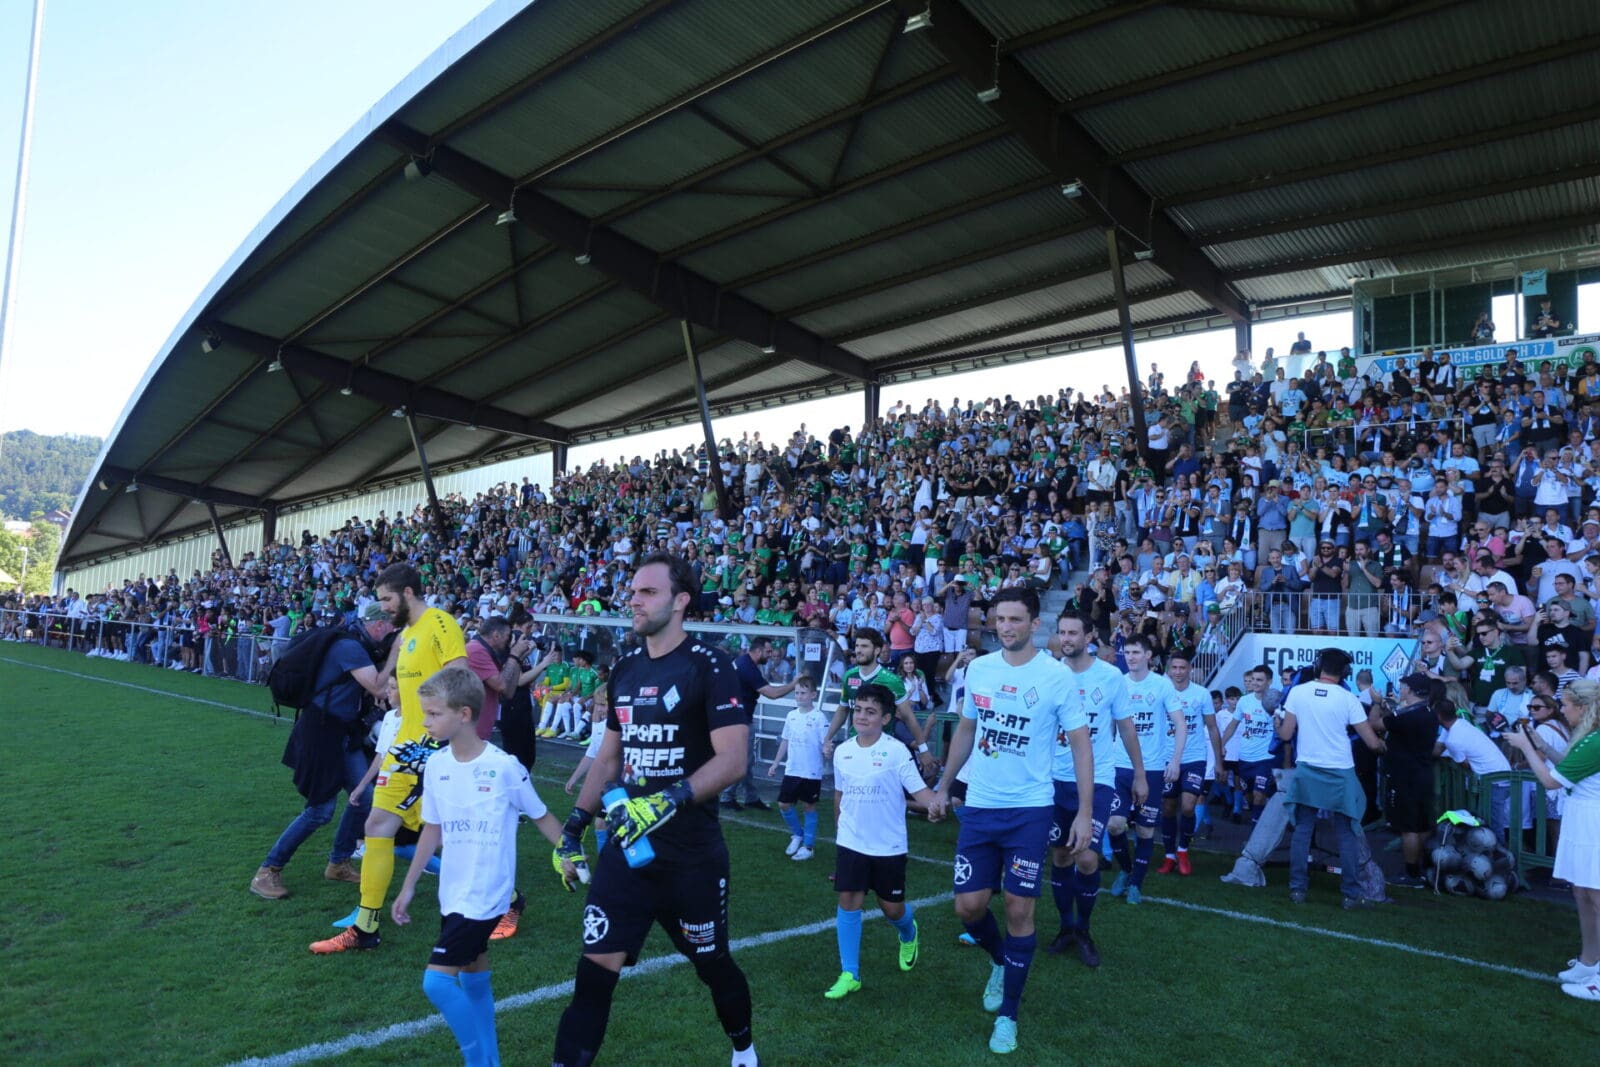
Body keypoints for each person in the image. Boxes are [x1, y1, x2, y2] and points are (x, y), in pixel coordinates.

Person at [550, 553, 759, 1067]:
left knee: (712, 966)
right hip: (626, 851)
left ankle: (744, 1051)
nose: (633, 600)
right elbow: (610, 755)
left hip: (691, 856)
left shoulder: (712, 666)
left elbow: (733, 760)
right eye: (633, 591)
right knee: (594, 974)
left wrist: (668, 800)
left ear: (680, 600)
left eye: (647, 592)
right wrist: (574, 827)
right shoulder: (624, 666)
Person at [926, 590, 1093, 1057]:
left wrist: (1082, 812)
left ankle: (1009, 1016)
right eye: (999, 619)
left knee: (1020, 912)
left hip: (1030, 811)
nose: (1005, 627)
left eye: (1015, 620)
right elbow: (966, 730)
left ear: (1035, 623)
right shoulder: (979, 669)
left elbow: (1081, 746)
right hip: (979, 807)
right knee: (968, 908)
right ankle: (1001, 961)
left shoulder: (1057, 678)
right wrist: (944, 785)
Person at [390, 666, 570, 1067]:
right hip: (453, 890)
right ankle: (491, 1057)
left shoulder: (504, 766)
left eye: (434, 714)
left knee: (436, 981)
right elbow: (432, 829)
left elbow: (541, 816)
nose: (426, 721)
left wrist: (569, 853)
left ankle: (479, 1062)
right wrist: (409, 885)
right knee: (472, 972)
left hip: (486, 893)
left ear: (464, 714)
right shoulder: (436, 765)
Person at [312, 563, 467, 953]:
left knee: (449, 839)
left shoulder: (441, 624)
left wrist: (442, 740)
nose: (382, 607)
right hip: (404, 747)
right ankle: (366, 928)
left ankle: (507, 899)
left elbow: (461, 681)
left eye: (386, 599)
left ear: (408, 593)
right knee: (377, 827)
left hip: (431, 750)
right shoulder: (408, 634)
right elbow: (384, 688)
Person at [251, 601, 392, 900]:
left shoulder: (357, 643)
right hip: (322, 732)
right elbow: (378, 687)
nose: (392, 633)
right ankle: (268, 870)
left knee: (363, 795)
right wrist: (397, 652)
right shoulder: (349, 647)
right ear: (378, 625)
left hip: (342, 732)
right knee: (320, 811)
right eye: (390, 627)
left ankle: (338, 863)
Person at [823, 683, 938, 1000]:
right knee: (848, 901)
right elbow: (840, 796)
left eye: (870, 712)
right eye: (858, 710)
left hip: (888, 846)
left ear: (886, 719)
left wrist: (937, 804)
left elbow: (921, 793)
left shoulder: (897, 751)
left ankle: (908, 931)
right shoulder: (844, 751)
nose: (862, 716)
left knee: (892, 909)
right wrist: (839, 833)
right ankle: (850, 974)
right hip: (851, 842)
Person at [1047, 609, 1138, 969]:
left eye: (1073, 633)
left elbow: (1127, 728)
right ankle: (1066, 927)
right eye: (1062, 632)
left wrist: (1141, 775)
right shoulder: (1049, 675)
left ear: (1089, 637)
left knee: (1086, 857)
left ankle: (1083, 929)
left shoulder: (1111, 677)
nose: (1067, 638)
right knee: (1060, 856)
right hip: (1053, 780)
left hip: (1097, 779)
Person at [1506, 679, 1600, 1001]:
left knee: (1596, 896)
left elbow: (1549, 781)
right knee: (1582, 892)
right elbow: (1570, 770)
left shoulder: (1595, 741)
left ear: (1583, 708)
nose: (1562, 711)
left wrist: (1526, 747)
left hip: (1594, 822)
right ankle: (1589, 962)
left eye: (1567, 706)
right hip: (1582, 818)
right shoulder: (1588, 738)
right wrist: (1542, 747)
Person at [1276, 648, 1387, 907]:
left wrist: (1276, 724)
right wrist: (1384, 746)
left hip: (1308, 768)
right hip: (1340, 771)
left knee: (1302, 829)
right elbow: (1372, 742)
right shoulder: (1347, 699)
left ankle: (1297, 890)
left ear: (1318, 667)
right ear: (1345, 672)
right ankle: (1350, 894)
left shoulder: (1298, 692)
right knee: (1347, 833)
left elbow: (1285, 735)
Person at [1106, 634, 1182, 906]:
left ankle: (1136, 883)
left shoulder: (1162, 685)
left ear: (1148, 655)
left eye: (1136, 652)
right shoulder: (1118, 683)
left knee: (1145, 831)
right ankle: (1126, 870)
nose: (1131, 657)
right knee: (1114, 825)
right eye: (1127, 652)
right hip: (1119, 767)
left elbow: (1180, 724)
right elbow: (1111, 726)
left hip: (1151, 770)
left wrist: (1174, 760)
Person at [821, 628, 938, 776]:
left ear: (877, 650)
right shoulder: (849, 676)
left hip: (882, 749)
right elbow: (843, 709)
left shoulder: (892, 681)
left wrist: (923, 750)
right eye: (857, 646)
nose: (858, 650)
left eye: (864, 646)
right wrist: (827, 738)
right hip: (854, 745)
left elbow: (908, 717)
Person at [1370, 673, 1438, 888]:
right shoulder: (1429, 712)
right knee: (1423, 824)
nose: (1401, 689)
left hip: (1405, 776)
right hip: (1423, 774)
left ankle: (1411, 874)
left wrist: (1376, 703)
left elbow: (1375, 724)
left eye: (1403, 686)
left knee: (1409, 827)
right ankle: (1423, 866)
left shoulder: (1406, 717)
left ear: (1409, 689)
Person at [1162, 651, 1224, 866]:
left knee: (1188, 807)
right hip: (1166, 758)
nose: (1178, 672)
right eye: (1174, 668)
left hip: (1195, 757)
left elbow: (1213, 728)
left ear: (1189, 669)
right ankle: (1169, 855)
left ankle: (1182, 851)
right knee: (1168, 808)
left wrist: (1219, 762)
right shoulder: (1161, 691)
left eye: (1182, 668)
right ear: (1169, 670)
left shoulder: (1201, 694)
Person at [721, 635, 796, 810]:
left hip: (737, 717)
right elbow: (773, 694)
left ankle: (751, 797)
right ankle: (727, 796)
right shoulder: (747, 667)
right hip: (739, 720)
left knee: (747, 759)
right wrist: (794, 683)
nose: (770, 655)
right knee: (742, 761)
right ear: (759, 650)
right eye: (768, 651)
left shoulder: (743, 662)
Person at [768, 674, 828, 861]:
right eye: (797, 693)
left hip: (811, 771)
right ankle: (798, 834)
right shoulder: (791, 716)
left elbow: (825, 742)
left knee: (808, 807)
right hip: (792, 769)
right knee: (783, 804)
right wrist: (776, 762)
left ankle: (808, 847)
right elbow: (785, 740)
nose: (799, 696)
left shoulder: (819, 717)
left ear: (813, 695)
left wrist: (827, 750)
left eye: (803, 693)